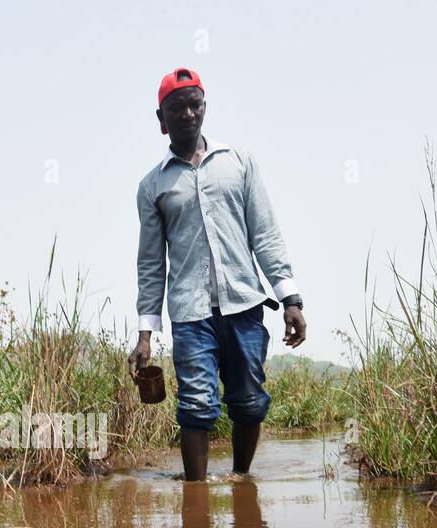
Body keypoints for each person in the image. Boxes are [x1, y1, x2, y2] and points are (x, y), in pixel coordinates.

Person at [129, 67, 307, 481]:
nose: (188, 114)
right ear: (162, 120)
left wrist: (291, 300)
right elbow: (151, 263)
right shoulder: (152, 186)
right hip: (191, 315)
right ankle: (197, 499)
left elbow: (265, 233)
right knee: (196, 404)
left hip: (244, 305)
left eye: (194, 105)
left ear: (204, 107)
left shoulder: (239, 164)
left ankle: (242, 481)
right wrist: (144, 333)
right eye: (177, 108)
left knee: (248, 400)